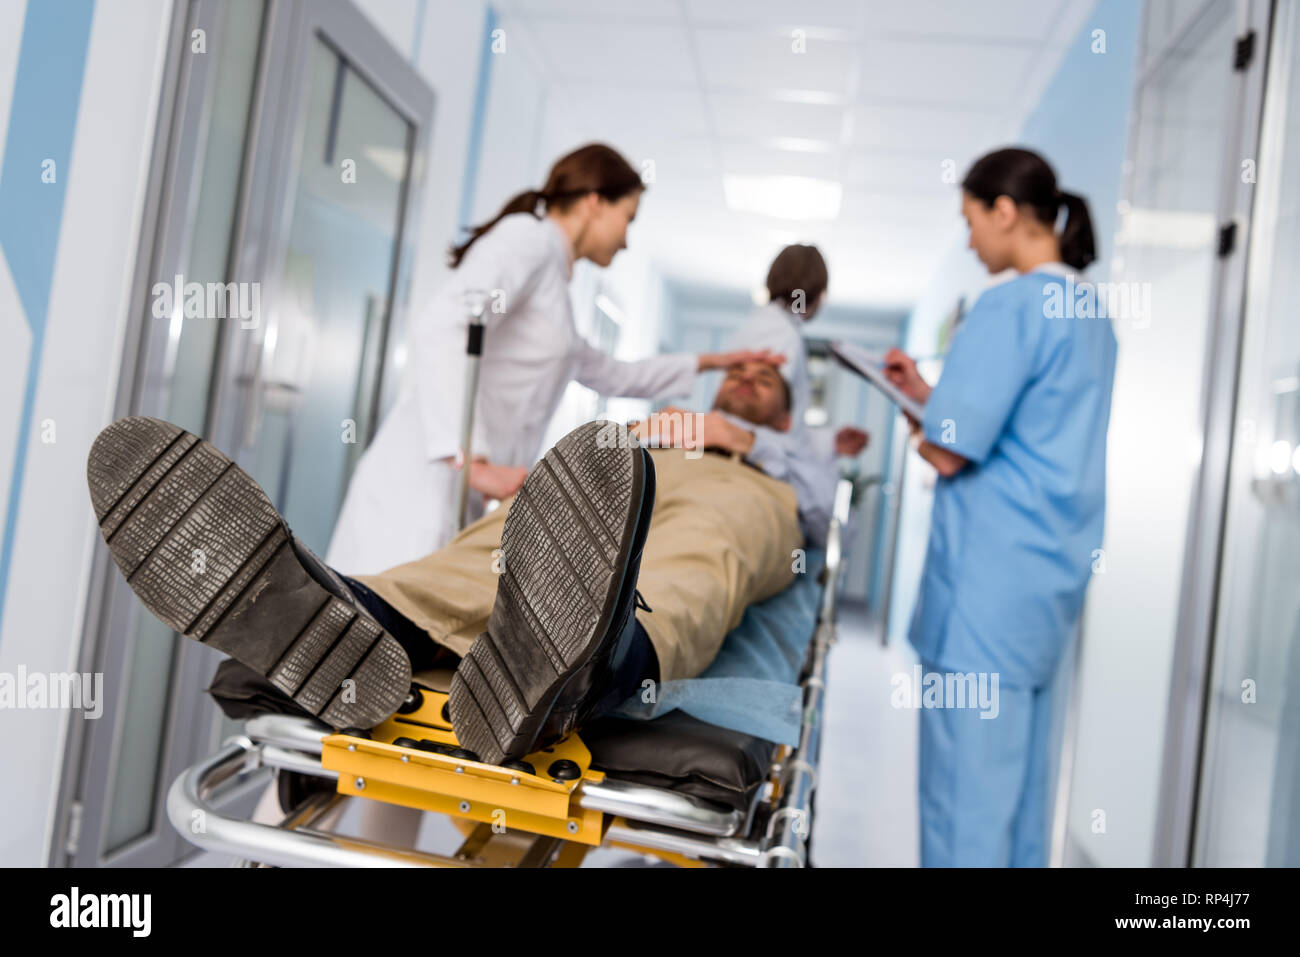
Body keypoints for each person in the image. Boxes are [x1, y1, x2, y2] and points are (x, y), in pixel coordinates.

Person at [85, 361, 830, 764]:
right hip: (645, 469)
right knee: (494, 546)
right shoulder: (671, 427)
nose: (746, 381)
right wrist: (671, 431)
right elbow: (613, 453)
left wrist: (744, 439)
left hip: (742, 497)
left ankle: (600, 657)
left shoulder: (796, 461)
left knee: (695, 563)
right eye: (738, 377)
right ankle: (350, 610)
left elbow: (823, 512)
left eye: (764, 382)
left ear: (786, 412)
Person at [326, 143, 780, 575]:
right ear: (595, 201)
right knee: (365, 631)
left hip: (457, 482)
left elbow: (613, 374)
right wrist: (474, 460)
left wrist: (715, 361)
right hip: (423, 476)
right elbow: (445, 326)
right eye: (629, 218)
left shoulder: (555, 291)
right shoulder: (529, 240)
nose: (626, 241)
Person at [882, 147, 1118, 867]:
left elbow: (951, 452)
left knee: (964, 809)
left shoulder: (1012, 302)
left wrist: (913, 414)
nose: (969, 240)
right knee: (1019, 809)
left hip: (982, 602)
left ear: (1006, 212)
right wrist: (930, 396)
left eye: (972, 220)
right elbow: (1022, 433)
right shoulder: (1091, 314)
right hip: (1044, 595)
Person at [724, 244, 868, 461]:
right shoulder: (780, 334)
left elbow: (774, 418)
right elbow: (752, 415)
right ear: (819, 294)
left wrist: (829, 441)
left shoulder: (768, 326)